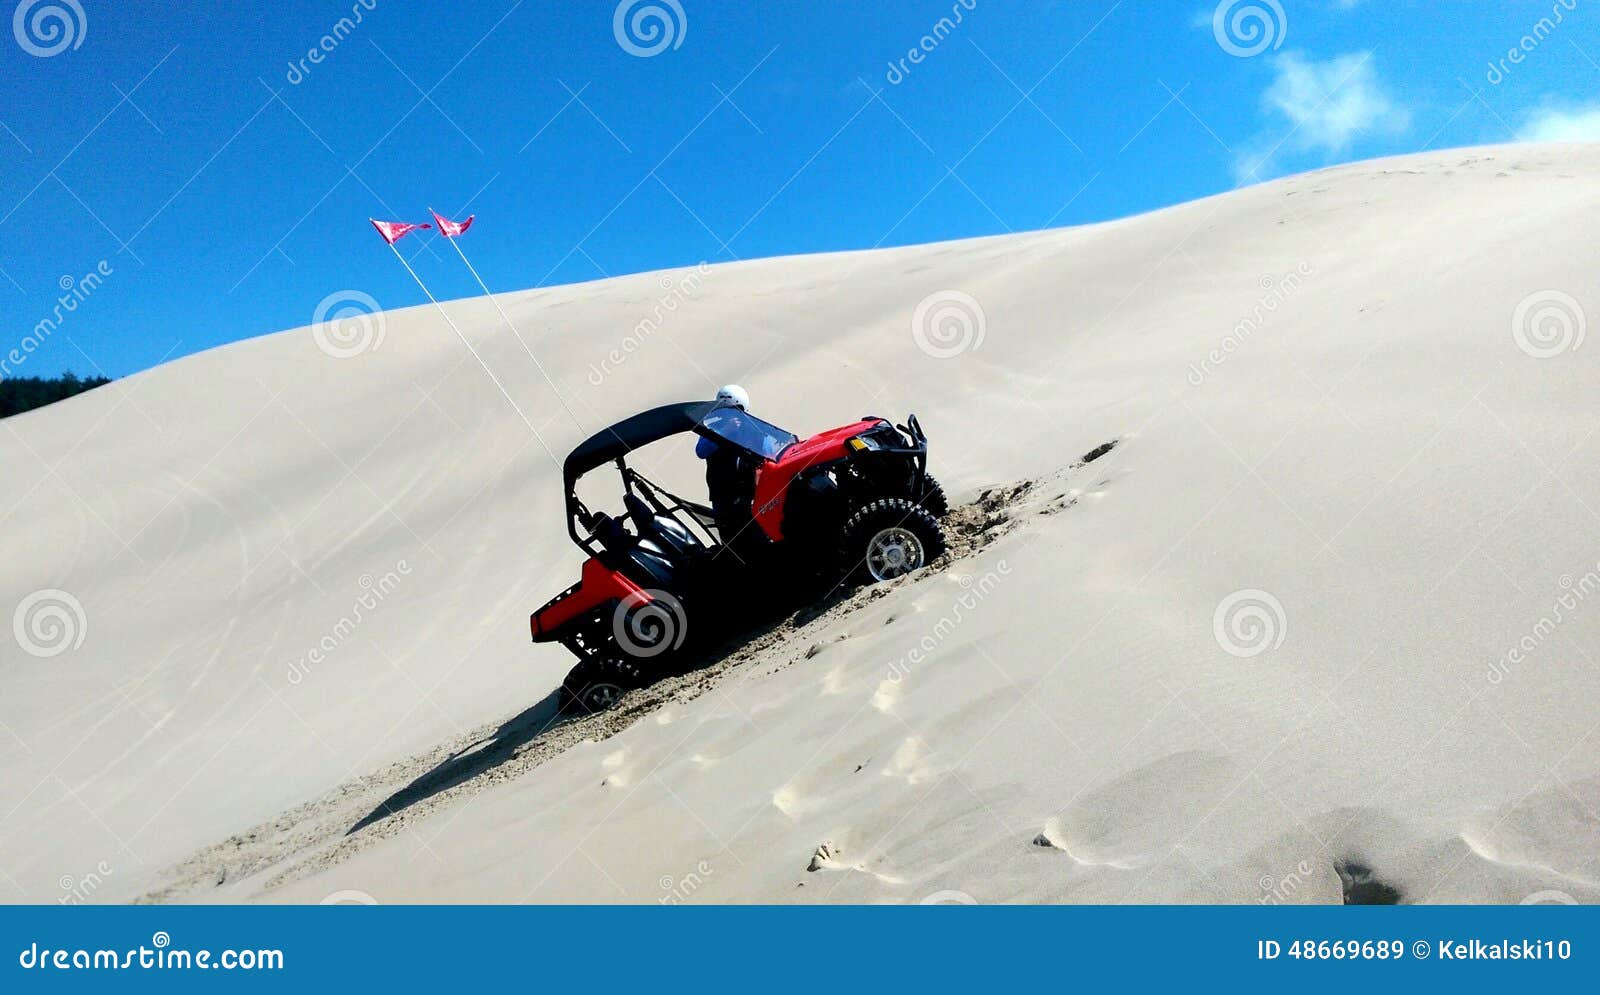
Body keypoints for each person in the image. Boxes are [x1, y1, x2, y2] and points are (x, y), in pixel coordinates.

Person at [697, 385, 760, 555]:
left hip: (749, 495)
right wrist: (725, 431)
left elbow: (768, 449)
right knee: (731, 542)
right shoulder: (712, 427)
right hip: (722, 497)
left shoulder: (751, 427)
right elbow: (701, 451)